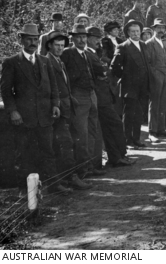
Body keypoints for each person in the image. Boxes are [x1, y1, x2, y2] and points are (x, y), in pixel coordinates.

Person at [1, 24, 62, 194]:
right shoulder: (11, 62)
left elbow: (54, 85)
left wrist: (56, 104)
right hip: (24, 118)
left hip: (45, 116)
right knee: (24, 154)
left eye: (35, 39)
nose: (32, 42)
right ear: (21, 40)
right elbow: (6, 92)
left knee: (48, 152)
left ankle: (53, 185)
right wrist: (13, 111)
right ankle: (25, 190)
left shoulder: (45, 61)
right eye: (28, 39)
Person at [45, 30, 92, 191]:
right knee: (65, 143)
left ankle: (66, 177)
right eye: (56, 45)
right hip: (57, 110)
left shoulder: (59, 61)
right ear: (49, 46)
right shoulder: (47, 62)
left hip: (67, 106)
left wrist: (71, 98)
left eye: (62, 46)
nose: (59, 48)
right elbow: (51, 87)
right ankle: (70, 178)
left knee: (68, 142)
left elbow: (64, 84)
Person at [61, 24, 104, 178]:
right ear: (72, 38)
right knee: (81, 134)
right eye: (78, 36)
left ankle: (90, 166)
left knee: (92, 131)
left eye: (84, 36)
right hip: (78, 96)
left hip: (91, 94)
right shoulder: (67, 53)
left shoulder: (86, 53)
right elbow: (63, 77)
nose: (81, 39)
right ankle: (82, 170)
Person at [85, 26, 132, 168]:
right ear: (87, 39)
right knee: (114, 124)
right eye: (94, 38)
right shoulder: (88, 54)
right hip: (99, 98)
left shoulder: (94, 53)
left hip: (104, 96)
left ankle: (116, 157)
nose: (98, 41)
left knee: (108, 128)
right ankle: (117, 156)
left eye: (99, 38)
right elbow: (100, 72)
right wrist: (104, 71)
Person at [111, 20, 150, 148]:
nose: (136, 34)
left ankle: (136, 139)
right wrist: (125, 77)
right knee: (129, 114)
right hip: (129, 86)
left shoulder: (144, 45)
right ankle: (127, 140)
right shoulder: (123, 46)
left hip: (142, 86)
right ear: (128, 33)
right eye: (133, 31)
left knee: (139, 113)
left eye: (138, 31)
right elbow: (114, 66)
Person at [145, 19, 166, 140]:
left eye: (163, 28)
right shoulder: (149, 43)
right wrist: (155, 76)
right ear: (154, 29)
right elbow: (148, 63)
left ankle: (161, 129)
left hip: (165, 75)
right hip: (156, 76)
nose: (161, 30)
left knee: (163, 102)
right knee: (154, 103)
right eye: (158, 28)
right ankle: (152, 132)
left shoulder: (162, 42)